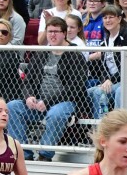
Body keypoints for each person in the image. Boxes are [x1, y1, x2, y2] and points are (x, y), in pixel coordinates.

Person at [6, 17, 89, 161]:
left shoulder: (75, 55)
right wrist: (29, 97)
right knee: (12, 107)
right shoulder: (41, 53)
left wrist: (48, 101)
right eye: (50, 31)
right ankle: (23, 154)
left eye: (56, 31)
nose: (52, 35)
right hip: (39, 103)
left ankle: (45, 155)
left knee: (56, 114)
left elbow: (75, 87)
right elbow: (27, 82)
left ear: (64, 33)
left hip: (65, 102)